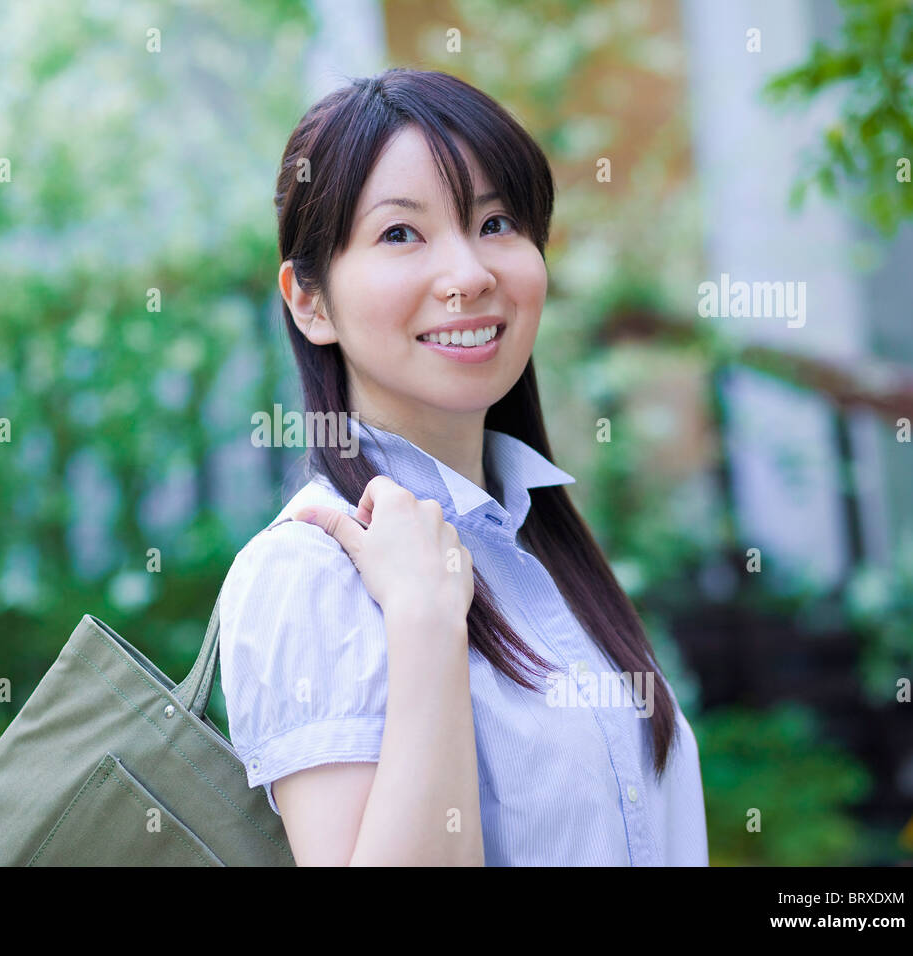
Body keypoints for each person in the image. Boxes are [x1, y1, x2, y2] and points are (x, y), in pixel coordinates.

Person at [217, 68, 708, 866]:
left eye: (496, 222)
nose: (471, 275)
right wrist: (423, 621)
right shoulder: (312, 574)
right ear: (310, 302)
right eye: (401, 234)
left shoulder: (529, 540)